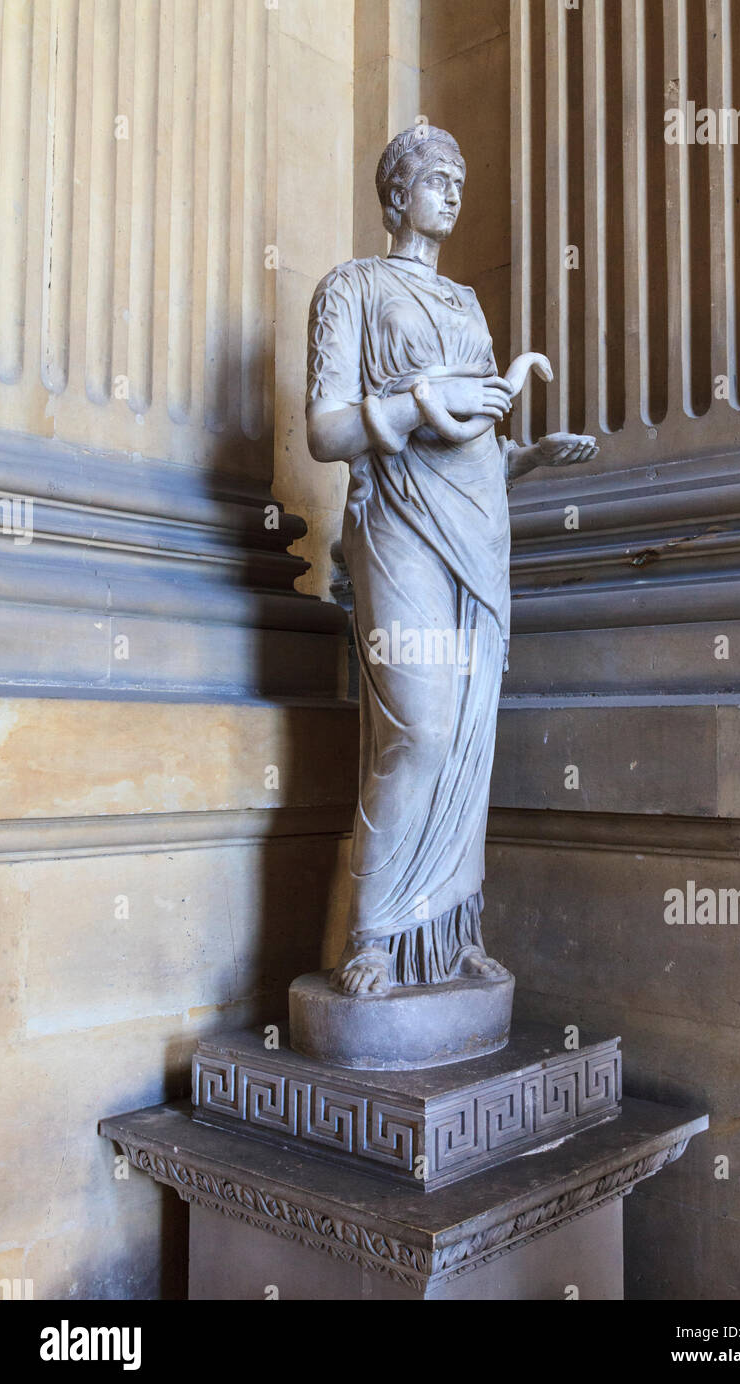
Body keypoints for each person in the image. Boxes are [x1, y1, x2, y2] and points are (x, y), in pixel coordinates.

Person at [306, 125, 596, 995]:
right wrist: (422, 402)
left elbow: (477, 444)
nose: (454, 193)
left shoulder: (468, 302)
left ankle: (451, 929)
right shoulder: (350, 287)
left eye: (461, 180)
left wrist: (531, 455)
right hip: (394, 521)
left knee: (471, 732)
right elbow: (324, 430)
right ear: (395, 194)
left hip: (479, 527)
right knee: (420, 726)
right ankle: (375, 934)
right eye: (437, 178)